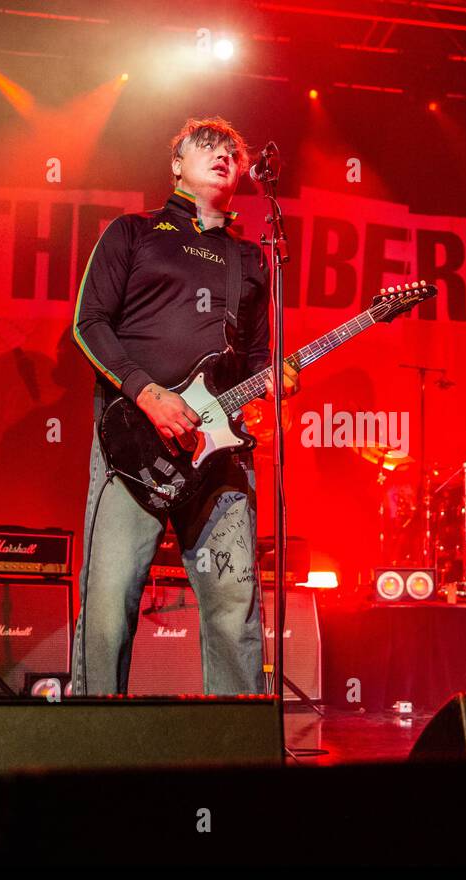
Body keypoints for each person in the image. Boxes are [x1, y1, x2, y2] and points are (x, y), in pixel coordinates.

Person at [69, 116, 298, 695]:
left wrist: (272, 383)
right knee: (109, 599)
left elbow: (252, 356)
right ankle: (92, 749)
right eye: (207, 146)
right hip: (134, 445)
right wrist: (147, 392)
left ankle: (236, 751)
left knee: (233, 602)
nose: (223, 156)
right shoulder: (134, 232)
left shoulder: (252, 259)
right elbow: (88, 323)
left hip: (217, 454)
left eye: (233, 151)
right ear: (176, 164)